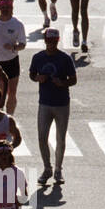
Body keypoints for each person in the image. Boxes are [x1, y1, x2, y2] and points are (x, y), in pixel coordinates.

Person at [29, 27, 76, 184]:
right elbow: (31, 74)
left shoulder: (65, 58)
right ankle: (47, 168)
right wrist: (37, 78)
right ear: (45, 41)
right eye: (48, 41)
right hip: (44, 103)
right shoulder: (38, 57)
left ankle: (58, 169)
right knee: (42, 137)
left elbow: (73, 79)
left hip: (62, 103)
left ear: (58, 41)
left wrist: (62, 82)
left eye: (53, 41)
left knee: (60, 138)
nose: (51, 44)